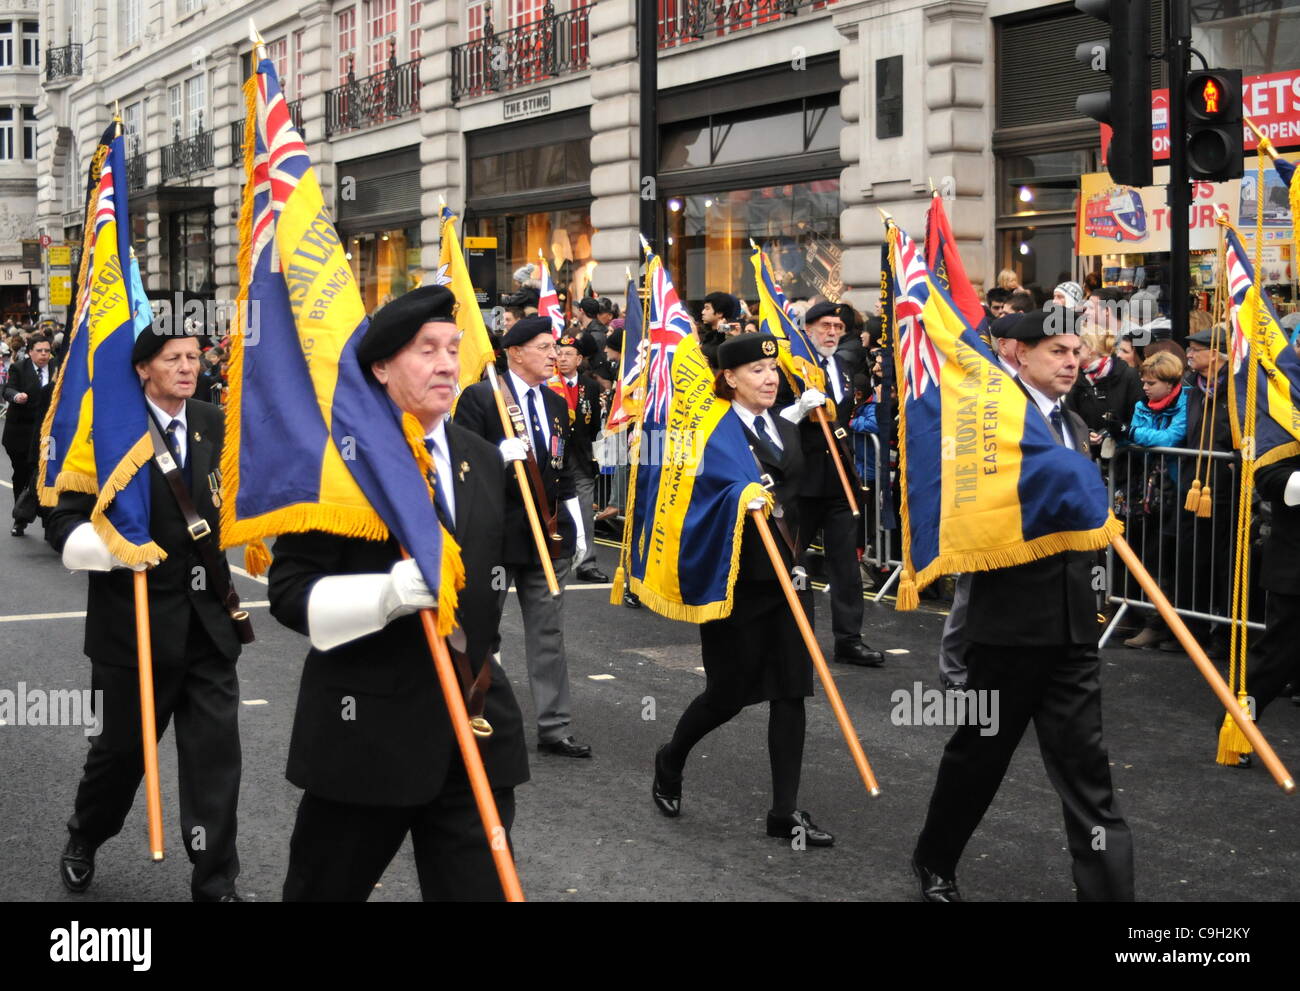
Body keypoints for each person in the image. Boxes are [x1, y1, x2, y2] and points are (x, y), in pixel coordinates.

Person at [267, 285, 529, 900]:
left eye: (453, 348)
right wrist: (385, 594)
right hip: (367, 734)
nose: (446, 363)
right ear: (381, 366)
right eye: (426, 349)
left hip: (472, 721)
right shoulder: (339, 460)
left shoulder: (480, 457)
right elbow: (288, 591)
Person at [911, 305, 1134, 902]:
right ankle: (935, 858)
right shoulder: (991, 417)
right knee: (978, 759)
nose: (1071, 361)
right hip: (1006, 629)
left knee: (1089, 778)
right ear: (1017, 353)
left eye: (1075, 350)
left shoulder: (1073, 415)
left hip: (1072, 632)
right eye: (1057, 350)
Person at [47, 325, 246, 901]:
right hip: (132, 631)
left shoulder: (213, 420)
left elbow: (233, 494)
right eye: (173, 358)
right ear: (142, 369)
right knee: (118, 758)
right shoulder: (111, 429)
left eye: (194, 357)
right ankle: (86, 835)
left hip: (208, 628)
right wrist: (108, 548)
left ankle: (215, 882)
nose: (188, 367)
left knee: (215, 765)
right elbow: (61, 515)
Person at [652, 332, 833, 847]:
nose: (770, 378)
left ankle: (784, 812)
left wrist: (803, 552)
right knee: (728, 695)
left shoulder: (784, 427)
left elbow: (799, 500)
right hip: (734, 581)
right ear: (728, 378)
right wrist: (738, 497)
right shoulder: (707, 429)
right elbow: (690, 498)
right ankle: (671, 757)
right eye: (755, 370)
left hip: (786, 578)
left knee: (791, 692)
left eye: (772, 370)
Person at [455, 316, 593, 759]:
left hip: (546, 535)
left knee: (548, 632)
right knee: (483, 630)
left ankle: (555, 725)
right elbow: (460, 465)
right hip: (495, 536)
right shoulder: (481, 397)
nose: (554, 355)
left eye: (555, 348)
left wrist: (575, 518)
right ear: (514, 352)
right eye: (544, 347)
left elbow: (563, 463)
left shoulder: (555, 403)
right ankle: (477, 711)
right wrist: (495, 457)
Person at [779, 301, 884, 668]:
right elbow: (768, 419)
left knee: (845, 565)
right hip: (799, 479)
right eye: (824, 325)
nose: (831, 333)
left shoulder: (841, 366)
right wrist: (797, 411)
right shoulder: (788, 368)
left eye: (838, 327)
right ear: (807, 328)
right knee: (784, 560)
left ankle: (849, 639)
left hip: (837, 479)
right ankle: (781, 633)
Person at [1116, 352, 1188, 650]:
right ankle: (1152, 621)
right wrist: (1132, 435)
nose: (1144, 387)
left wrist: (1132, 432)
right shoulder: (1140, 405)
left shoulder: (1187, 401)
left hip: (1178, 487)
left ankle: (1167, 625)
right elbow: (1130, 440)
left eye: (1151, 382)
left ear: (1170, 382)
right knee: (1144, 554)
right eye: (1144, 381)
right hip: (1144, 488)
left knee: (1166, 559)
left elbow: (1172, 438)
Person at [550, 333, 608, 583]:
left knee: (585, 511)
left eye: (568, 354)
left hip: (581, 458)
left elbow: (595, 425)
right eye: (559, 353)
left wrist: (598, 458)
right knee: (550, 510)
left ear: (579, 359)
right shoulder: (548, 384)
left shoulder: (590, 386)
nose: (562, 358)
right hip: (554, 458)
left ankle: (587, 563)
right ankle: (550, 558)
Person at [4, 333, 58, 536]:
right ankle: (20, 518)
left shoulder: (57, 367)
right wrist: (17, 396)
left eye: (47, 350)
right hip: (21, 432)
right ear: (30, 352)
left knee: (46, 475)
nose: (44, 355)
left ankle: (48, 521)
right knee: (23, 476)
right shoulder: (19, 368)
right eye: (39, 351)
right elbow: (7, 389)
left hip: (48, 433)